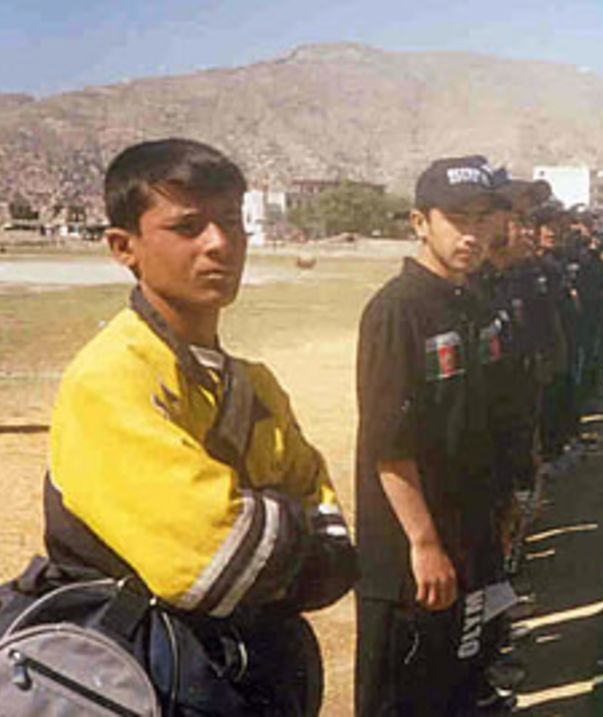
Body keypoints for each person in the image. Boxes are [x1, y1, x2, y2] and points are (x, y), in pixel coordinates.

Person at [47, 138, 355, 715]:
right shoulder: (111, 378)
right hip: (141, 683)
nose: (220, 244)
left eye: (232, 223)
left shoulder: (255, 384)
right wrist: (284, 521)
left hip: (240, 679)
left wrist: (266, 523)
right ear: (123, 247)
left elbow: (335, 552)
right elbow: (218, 565)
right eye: (188, 227)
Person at [354, 156, 509, 715]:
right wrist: (423, 543)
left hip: (467, 534)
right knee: (405, 697)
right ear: (420, 222)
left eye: (482, 217)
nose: (472, 232)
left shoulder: (474, 302)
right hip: (410, 557)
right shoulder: (398, 311)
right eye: (456, 218)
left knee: (458, 687)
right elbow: (389, 446)